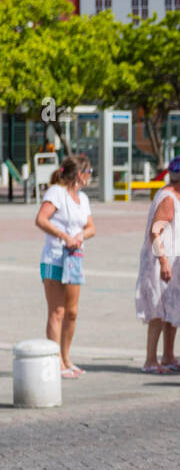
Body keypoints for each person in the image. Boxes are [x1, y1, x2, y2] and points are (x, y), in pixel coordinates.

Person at [135, 156, 180, 374]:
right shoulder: (169, 198)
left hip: (175, 264)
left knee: (172, 310)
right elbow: (155, 231)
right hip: (164, 264)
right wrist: (163, 262)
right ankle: (150, 360)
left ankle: (168, 356)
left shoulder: (175, 197)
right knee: (159, 311)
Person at [35, 154, 95, 378]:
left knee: (72, 312)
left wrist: (81, 235)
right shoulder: (56, 193)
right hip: (54, 258)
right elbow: (41, 219)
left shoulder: (83, 198)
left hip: (74, 259)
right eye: (89, 172)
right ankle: (56, 362)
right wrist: (63, 236)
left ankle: (66, 357)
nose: (91, 176)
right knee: (57, 311)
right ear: (80, 174)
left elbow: (91, 227)